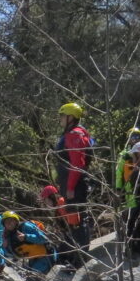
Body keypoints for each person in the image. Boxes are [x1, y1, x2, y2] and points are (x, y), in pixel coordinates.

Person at [52, 102, 93, 248]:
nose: (61, 119)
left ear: (70, 117)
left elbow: (77, 163)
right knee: (75, 220)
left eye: (63, 116)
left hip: (75, 185)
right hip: (74, 183)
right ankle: (78, 257)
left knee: (77, 220)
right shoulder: (77, 134)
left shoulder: (74, 135)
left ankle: (80, 259)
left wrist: (70, 187)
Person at [40, 184, 86, 259]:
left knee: (63, 252)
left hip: (77, 234)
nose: (46, 204)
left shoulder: (61, 203)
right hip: (72, 234)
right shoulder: (57, 207)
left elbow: (74, 223)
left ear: (51, 197)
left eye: (45, 200)